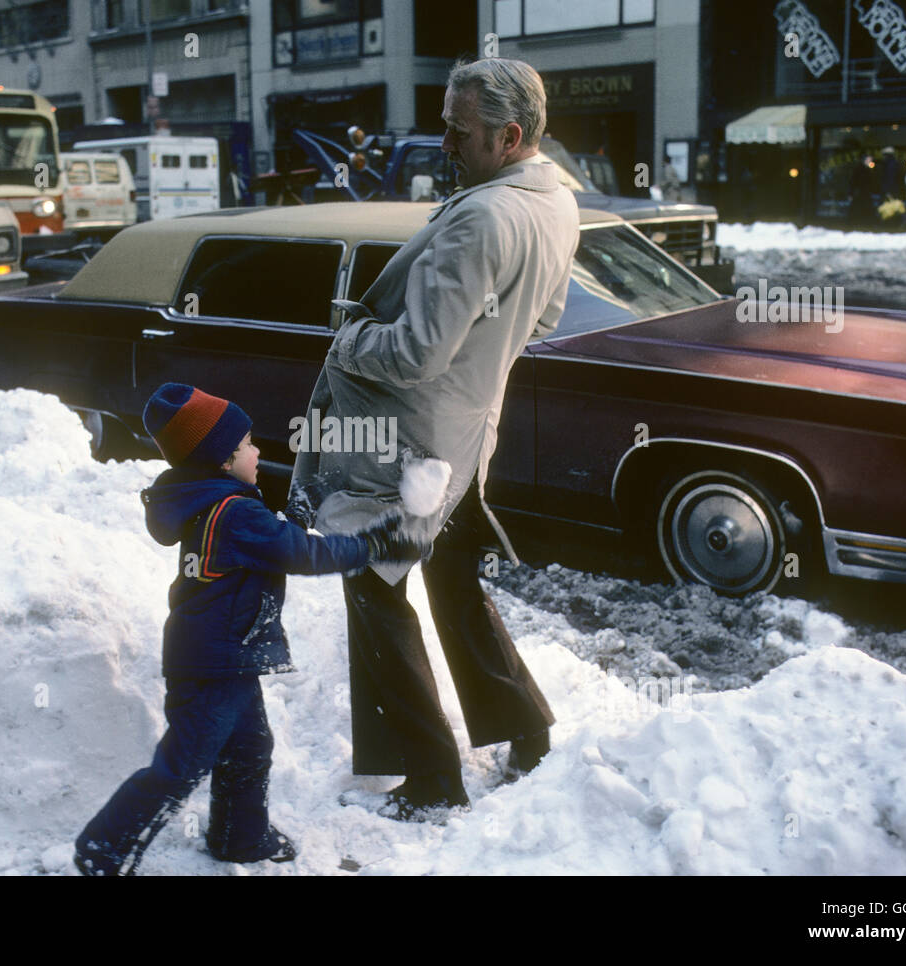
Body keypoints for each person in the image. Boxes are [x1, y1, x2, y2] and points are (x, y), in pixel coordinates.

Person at [288, 58, 578, 820]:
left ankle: (432, 779)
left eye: (459, 130)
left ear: (509, 135)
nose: (444, 141)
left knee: (372, 586)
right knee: (451, 579)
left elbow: (414, 354)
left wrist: (349, 340)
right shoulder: (554, 201)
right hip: (464, 435)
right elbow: (541, 323)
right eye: (445, 122)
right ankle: (526, 728)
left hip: (406, 447)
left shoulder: (485, 216)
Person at [74, 383, 425, 875]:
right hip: (215, 662)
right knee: (182, 764)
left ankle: (238, 835)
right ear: (221, 460)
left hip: (221, 657)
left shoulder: (213, 502)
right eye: (247, 445)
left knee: (250, 748)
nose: (258, 451)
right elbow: (301, 554)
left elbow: (273, 541)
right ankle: (103, 848)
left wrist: (297, 515)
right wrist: (374, 544)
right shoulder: (235, 511)